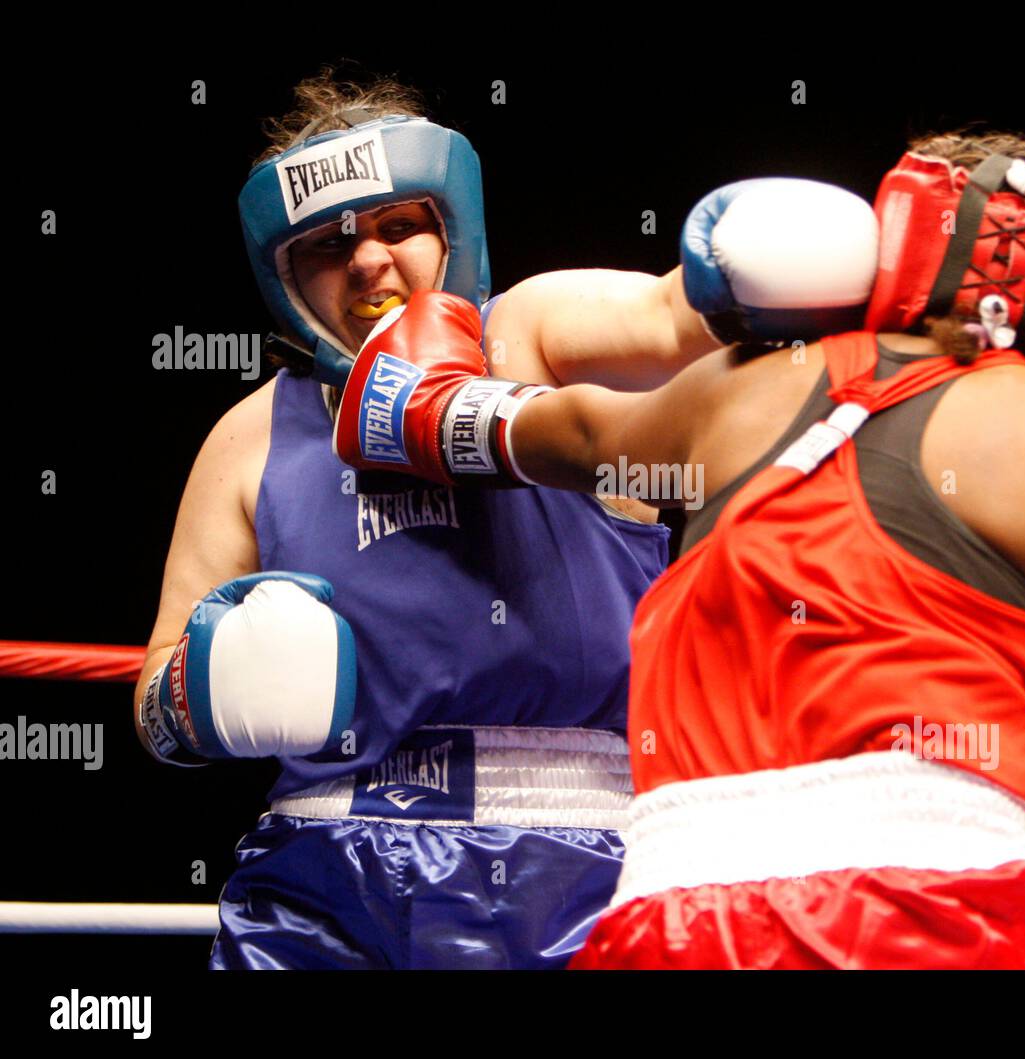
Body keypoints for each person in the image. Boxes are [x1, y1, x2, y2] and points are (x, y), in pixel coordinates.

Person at [335, 131, 1025, 969]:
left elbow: (556, 430)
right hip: (961, 904)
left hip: (683, 914)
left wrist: (424, 407)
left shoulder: (739, 390)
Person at [133, 72, 875, 969]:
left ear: (453, 232)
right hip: (319, 873)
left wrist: (754, 263)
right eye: (330, 244)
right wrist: (203, 696)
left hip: (574, 860)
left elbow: (675, 318)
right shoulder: (252, 433)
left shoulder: (530, 334)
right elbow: (154, 690)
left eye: (399, 226)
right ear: (286, 277)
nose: (368, 259)